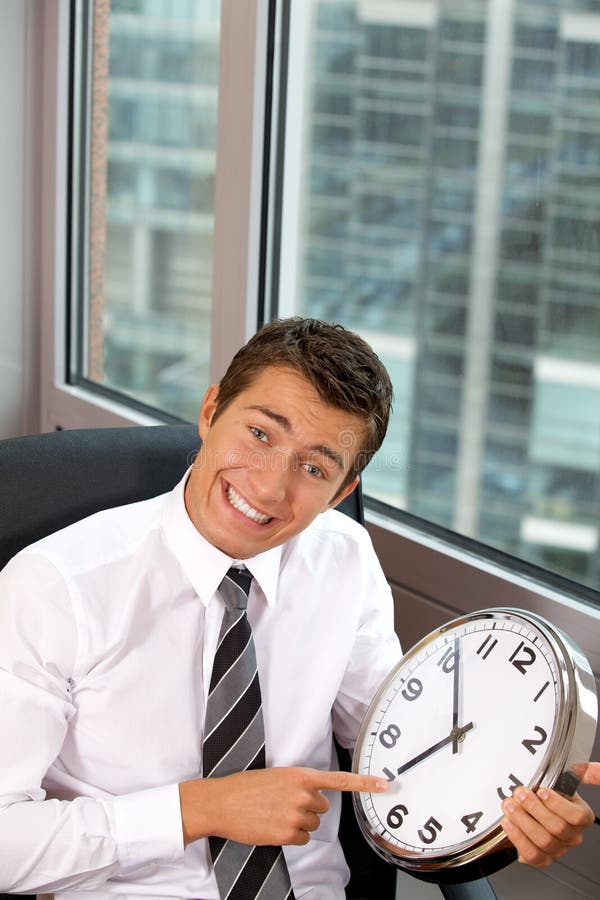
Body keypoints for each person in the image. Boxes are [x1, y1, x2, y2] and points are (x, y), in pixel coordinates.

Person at [0, 318, 595, 898]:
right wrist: (199, 809)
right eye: (260, 434)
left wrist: (508, 813)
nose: (267, 488)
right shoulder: (57, 586)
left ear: (341, 493)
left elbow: (398, 750)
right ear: (210, 413)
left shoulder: (344, 557)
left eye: (313, 467)